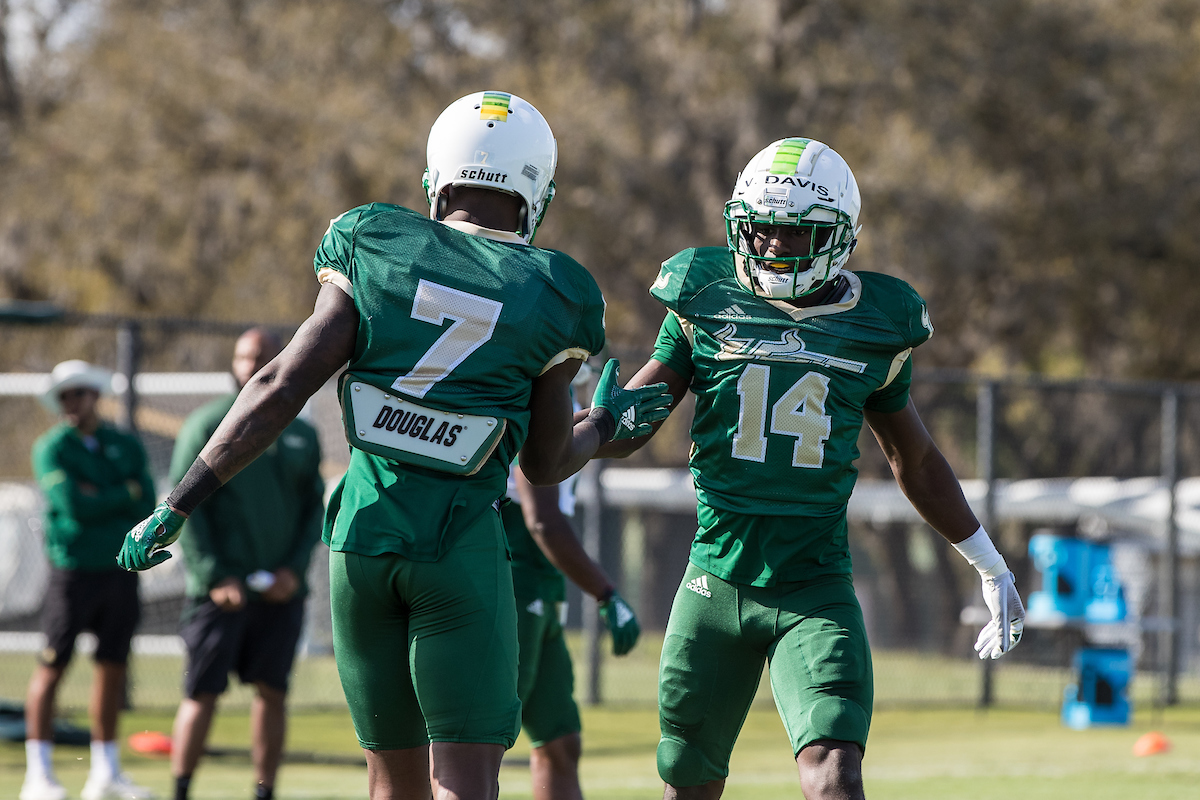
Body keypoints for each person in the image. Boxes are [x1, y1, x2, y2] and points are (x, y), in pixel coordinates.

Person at [116, 90, 671, 800]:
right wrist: (603, 428)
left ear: (438, 176)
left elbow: (280, 386)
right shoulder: (555, 289)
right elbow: (545, 462)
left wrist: (177, 504)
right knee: (464, 782)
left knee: (391, 786)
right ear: (538, 188)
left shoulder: (375, 241)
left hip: (361, 546)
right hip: (460, 551)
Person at [591, 138, 1027, 800]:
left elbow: (914, 457)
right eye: (762, 231)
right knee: (686, 776)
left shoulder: (879, 323)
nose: (771, 249)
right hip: (716, 579)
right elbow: (635, 422)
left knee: (835, 773)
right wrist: (590, 425)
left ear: (839, 236)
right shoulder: (703, 295)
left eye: (796, 234)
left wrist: (987, 561)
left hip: (815, 586)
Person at [167, 328, 325, 800]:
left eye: (258, 356)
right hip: (221, 593)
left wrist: (293, 571)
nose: (248, 364)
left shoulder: (301, 431)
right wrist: (215, 576)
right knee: (201, 694)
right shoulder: (206, 424)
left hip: (280, 592)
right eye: (241, 356)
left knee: (272, 693)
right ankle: (180, 789)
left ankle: (264, 792)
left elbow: (312, 508)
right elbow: (183, 507)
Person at [23, 360, 156, 800]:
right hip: (73, 572)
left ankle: (105, 773)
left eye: (78, 394)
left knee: (113, 669)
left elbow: (149, 501)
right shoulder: (51, 448)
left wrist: (109, 497)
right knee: (52, 665)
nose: (72, 404)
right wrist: (121, 495)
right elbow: (73, 505)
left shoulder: (123, 443)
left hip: (119, 571)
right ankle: (38, 774)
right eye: (64, 397)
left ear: (94, 396)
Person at [503, 453, 640, 800]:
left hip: (544, 590)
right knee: (474, 742)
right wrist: (605, 592)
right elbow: (543, 521)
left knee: (559, 740)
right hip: (510, 586)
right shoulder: (541, 397)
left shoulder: (568, 402)